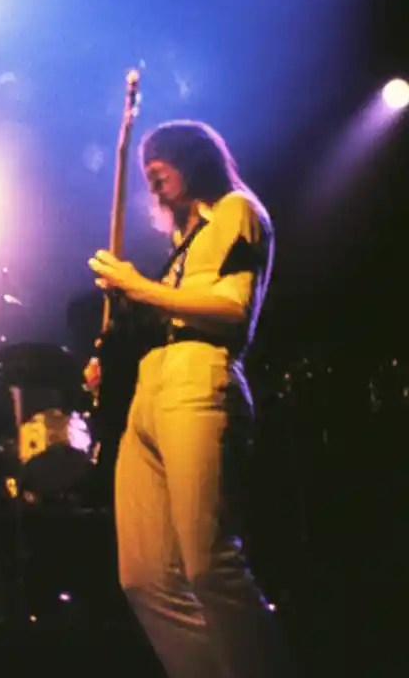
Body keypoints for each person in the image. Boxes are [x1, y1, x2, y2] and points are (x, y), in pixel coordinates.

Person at [86, 120, 293, 677]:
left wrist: (138, 287)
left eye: (161, 167)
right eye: (146, 173)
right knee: (144, 577)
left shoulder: (236, 211)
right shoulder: (184, 243)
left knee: (209, 565)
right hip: (150, 394)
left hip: (199, 379)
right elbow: (165, 309)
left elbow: (232, 311)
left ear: (193, 158)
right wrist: (110, 355)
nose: (151, 181)